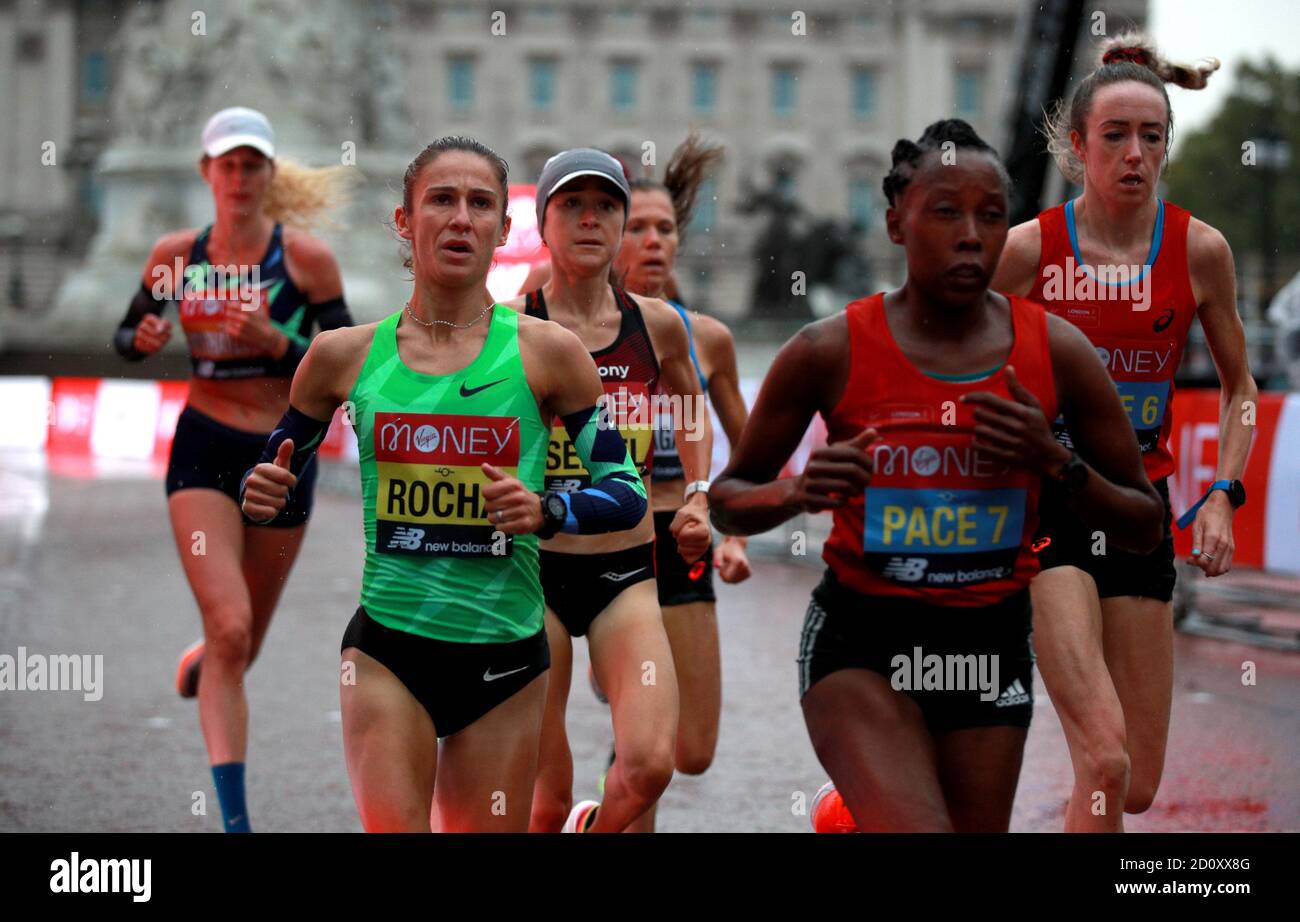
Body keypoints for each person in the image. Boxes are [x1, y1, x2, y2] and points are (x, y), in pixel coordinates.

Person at [709, 119, 1165, 832]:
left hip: (988, 653)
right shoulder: (826, 350)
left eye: (991, 215)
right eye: (945, 211)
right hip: (861, 647)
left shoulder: (1060, 352)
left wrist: (1055, 461)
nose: (972, 234)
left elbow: (1143, 526)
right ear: (896, 223)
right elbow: (729, 504)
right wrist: (796, 492)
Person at [240, 136, 649, 832]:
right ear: (405, 220)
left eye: (480, 203)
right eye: (442, 200)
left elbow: (626, 488)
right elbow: (276, 467)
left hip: (506, 660)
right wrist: (262, 490)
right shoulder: (341, 356)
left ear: (503, 229)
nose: (461, 218)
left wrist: (549, 509)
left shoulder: (547, 353)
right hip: (387, 652)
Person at [992, 32, 1256, 831]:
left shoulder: (1201, 250)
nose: (1136, 154)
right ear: (1078, 147)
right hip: (1049, 520)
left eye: (1152, 137)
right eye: (1116, 136)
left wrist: (1221, 495)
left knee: (1132, 783)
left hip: (1143, 517)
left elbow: (1241, 389)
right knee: (1103, 758)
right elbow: (934, 337)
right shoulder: (1030, 251)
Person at [114, 106, 352, 832]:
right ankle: (236, 822)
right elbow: (126, 334)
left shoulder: (304, 260)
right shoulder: (176, 255)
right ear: (206, 173)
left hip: (283, 454)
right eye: (228, 165)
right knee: (230, 627)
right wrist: (145, 336)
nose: (241, 177)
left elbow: (344, 361)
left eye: (253, 165)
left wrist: (280, 342)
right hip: (203, 447)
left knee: (241, 641)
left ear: (269, 174)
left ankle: (208, 656)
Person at [503, 148, 713, 832]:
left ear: (622, 223)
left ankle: (598, 826)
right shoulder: (514, 324)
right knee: (544, 799)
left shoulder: (656, 325)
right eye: (572, 206)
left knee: (652, 765)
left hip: (627, 569)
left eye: (606, 208)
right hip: (537, 570)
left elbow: (689, 407)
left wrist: (699, 495)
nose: (590, 221)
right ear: (544, 221)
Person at [610, 135, 752, 832]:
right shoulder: (566, 338)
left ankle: (595, 814)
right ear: (606, 236)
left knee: (690, 751)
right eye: (637, 227)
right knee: (647, 745)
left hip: (682, 541)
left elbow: (752, 455)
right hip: (598, 548)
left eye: (666, 228)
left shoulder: (708, 339)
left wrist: (733, 533)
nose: (655, 241)